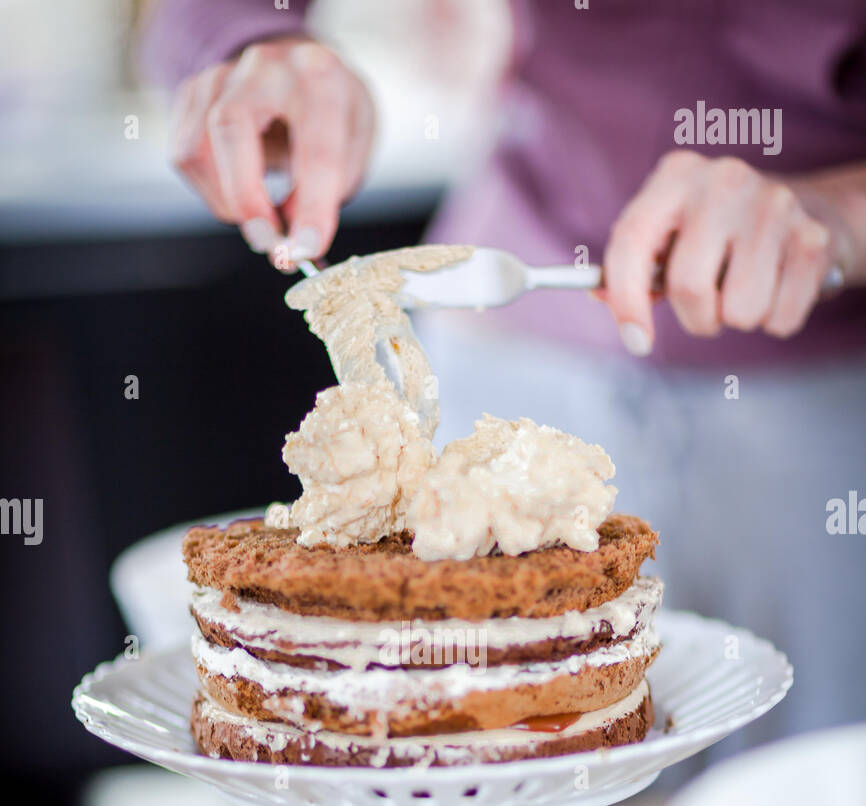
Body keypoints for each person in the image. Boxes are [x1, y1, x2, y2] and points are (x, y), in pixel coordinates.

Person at [142, 0, 866, 748]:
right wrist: (253, 45)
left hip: (834, 410)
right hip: (509, 335)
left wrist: (841, 213)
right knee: (461, 766)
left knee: (810, 802)